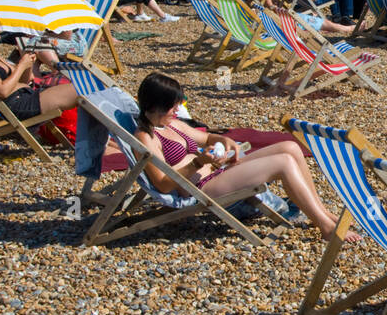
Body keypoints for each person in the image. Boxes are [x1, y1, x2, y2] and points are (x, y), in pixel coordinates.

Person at [133, 72, 359, 240]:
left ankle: (323, 212)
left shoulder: (172, 125)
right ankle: (326, 228)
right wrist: (199, 162)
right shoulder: (146, 138)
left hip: (216, 170)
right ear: (157, 105)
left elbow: (208, 138)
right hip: (201, 187)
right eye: (173, 106)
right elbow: (162, 184)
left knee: (290, 147)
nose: (177, 110)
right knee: (283, 163)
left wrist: (225, 142)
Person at [0, 11, 78, 118]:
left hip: (27, 94)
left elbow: (24, 80)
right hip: (20, 104)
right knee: (81, 91)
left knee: (82, 88)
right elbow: (2, 91)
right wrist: (21, 65)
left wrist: (28, 64)